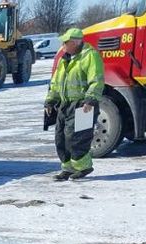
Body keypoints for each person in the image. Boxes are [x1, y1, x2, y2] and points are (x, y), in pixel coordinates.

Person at [45, 28, 105, 181]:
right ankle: (68, 168)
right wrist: (51, 100)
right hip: (65, 105)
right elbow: (56, 83)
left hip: (82, 105)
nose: (63, 45)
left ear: (76, 42)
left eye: (66, 42)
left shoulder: (90, 56)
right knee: (61, 138)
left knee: (77, 137)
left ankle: (83, 167)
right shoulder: (64, 59)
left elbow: (96, 80)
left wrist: (90, 100)